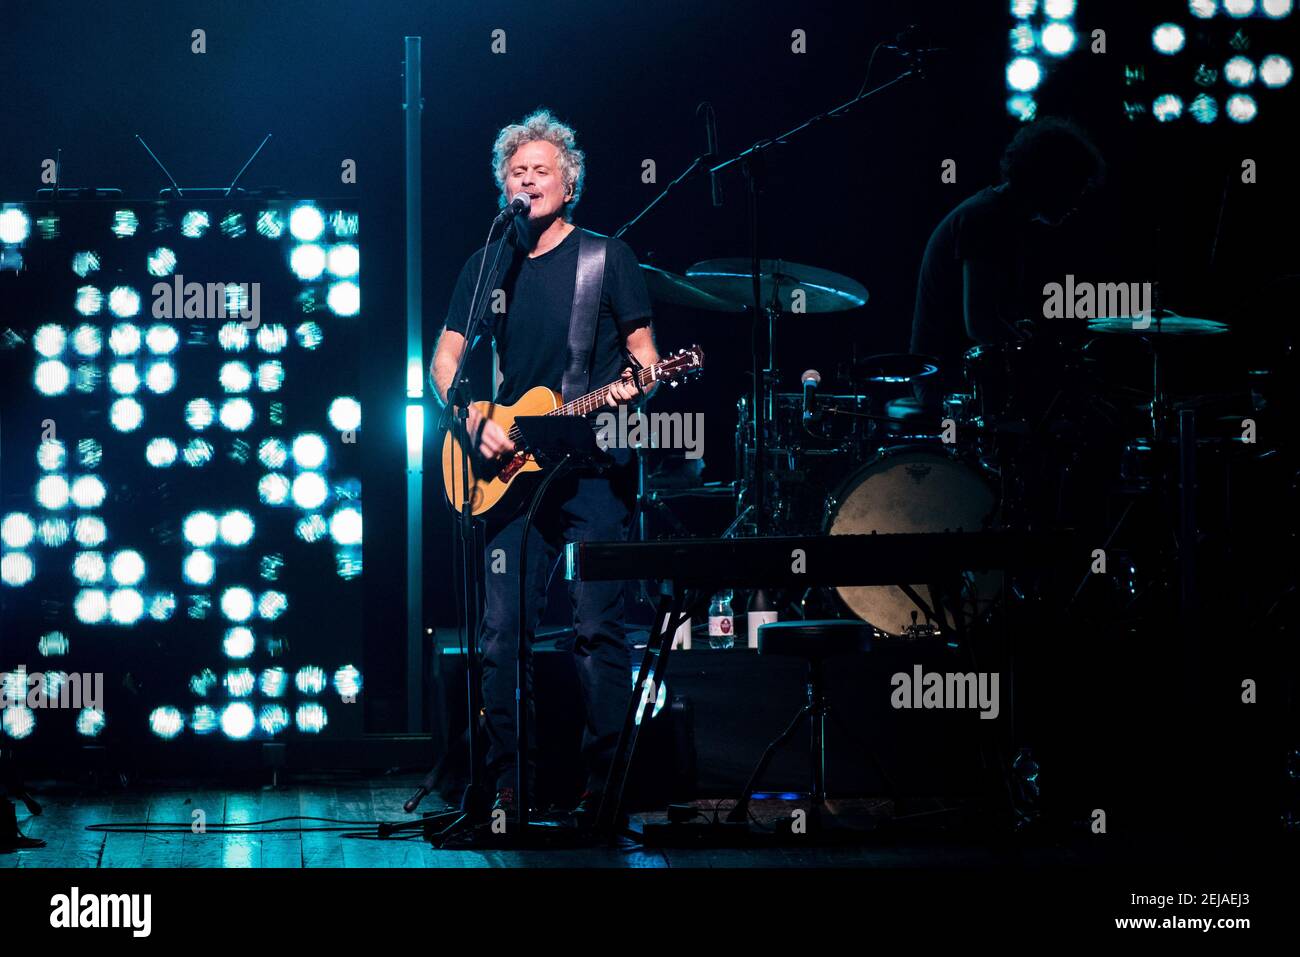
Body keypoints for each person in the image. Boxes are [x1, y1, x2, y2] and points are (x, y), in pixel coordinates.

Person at [430, 109, 657, 823]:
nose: (528, 179)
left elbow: (648, 361)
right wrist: (470, 419)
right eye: (516, 171)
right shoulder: (487, 263)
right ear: (504, 186)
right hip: (510, 471)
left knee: (597, 629)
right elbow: (442, 361)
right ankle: (508, 786)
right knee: (503, 632)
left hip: (591, 467)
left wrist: (637, 383)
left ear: (570, 183)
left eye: (542, 170)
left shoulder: (606, 257)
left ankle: (604, 787)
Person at [910, 117, 1105, 408]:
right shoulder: (985, 219)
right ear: (1050, 179)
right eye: (1075, 186)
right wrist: (1041, 356)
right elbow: (980, 324)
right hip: (946, 381)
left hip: (964, 373)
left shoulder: (1001, 217)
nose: (1077, 201)